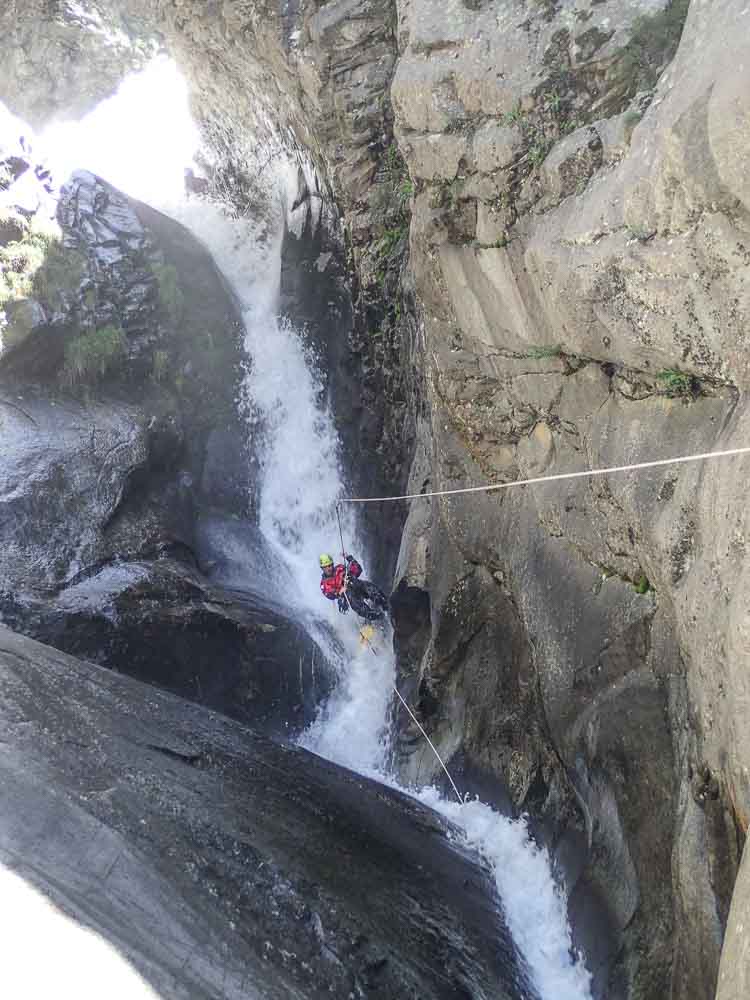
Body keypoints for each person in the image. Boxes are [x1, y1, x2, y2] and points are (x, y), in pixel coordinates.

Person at [318, 553, 388, 621]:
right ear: (322, 568)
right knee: (358, 606)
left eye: (330, 565)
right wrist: (339, 592)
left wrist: (349, 558)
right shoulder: (324, 583)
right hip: (348, 597)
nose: (328, 568)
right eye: (326, 567)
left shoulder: (340, 568)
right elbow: (329, 594)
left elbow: (358, 570)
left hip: (357, 585)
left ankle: (386, 606)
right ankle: (377, 617)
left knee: (372, 591)